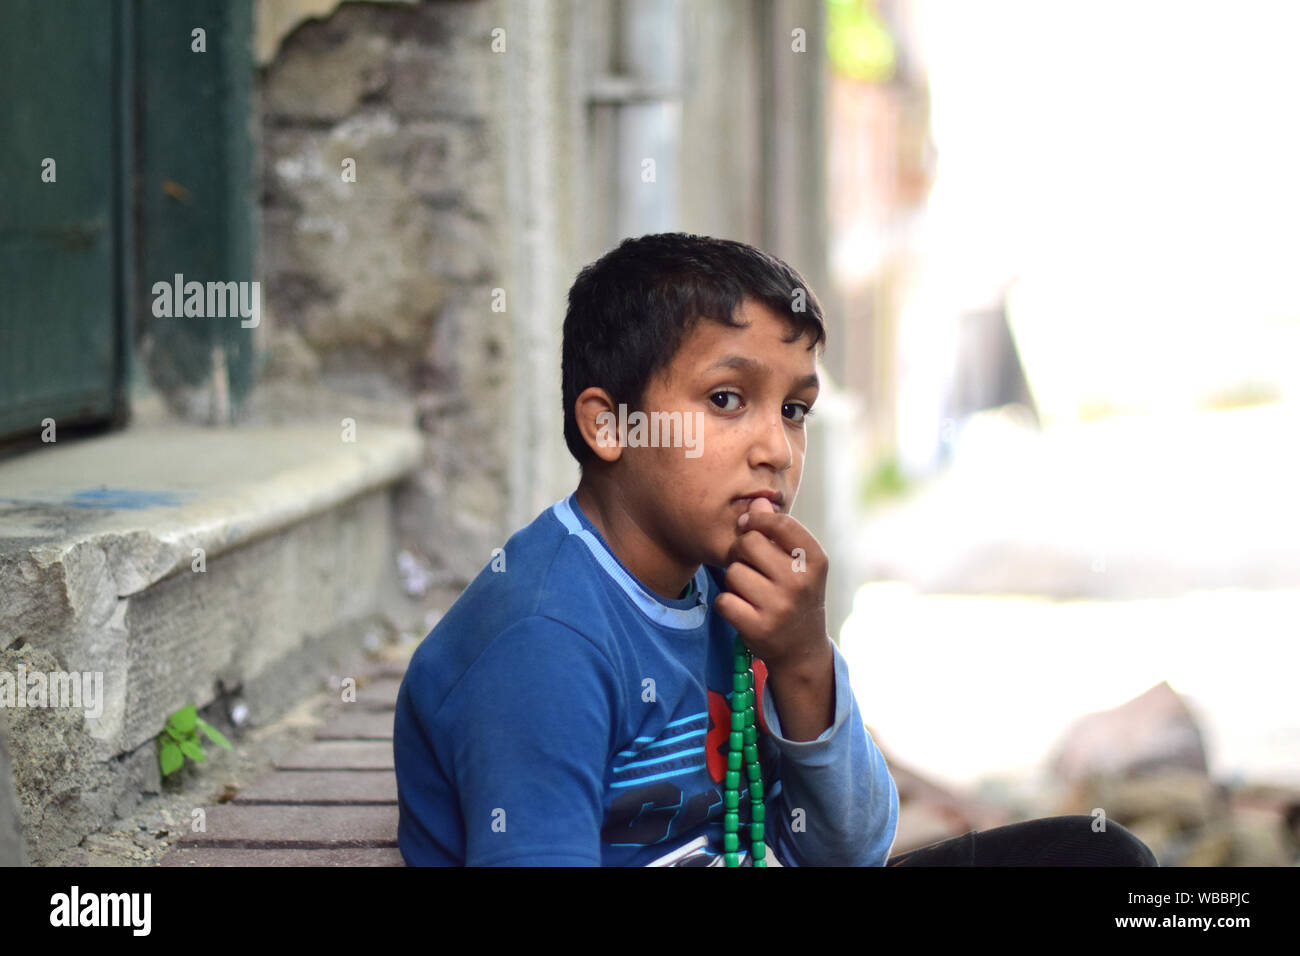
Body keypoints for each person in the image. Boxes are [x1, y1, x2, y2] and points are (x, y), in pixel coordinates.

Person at [392, 232, 1157, 868]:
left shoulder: (739, 588)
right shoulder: (544, 641)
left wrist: (801, 663)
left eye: (794, 409)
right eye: (727, 400)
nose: (775, 449)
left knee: (1100, 860)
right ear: (611, 426)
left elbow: (851, 849)